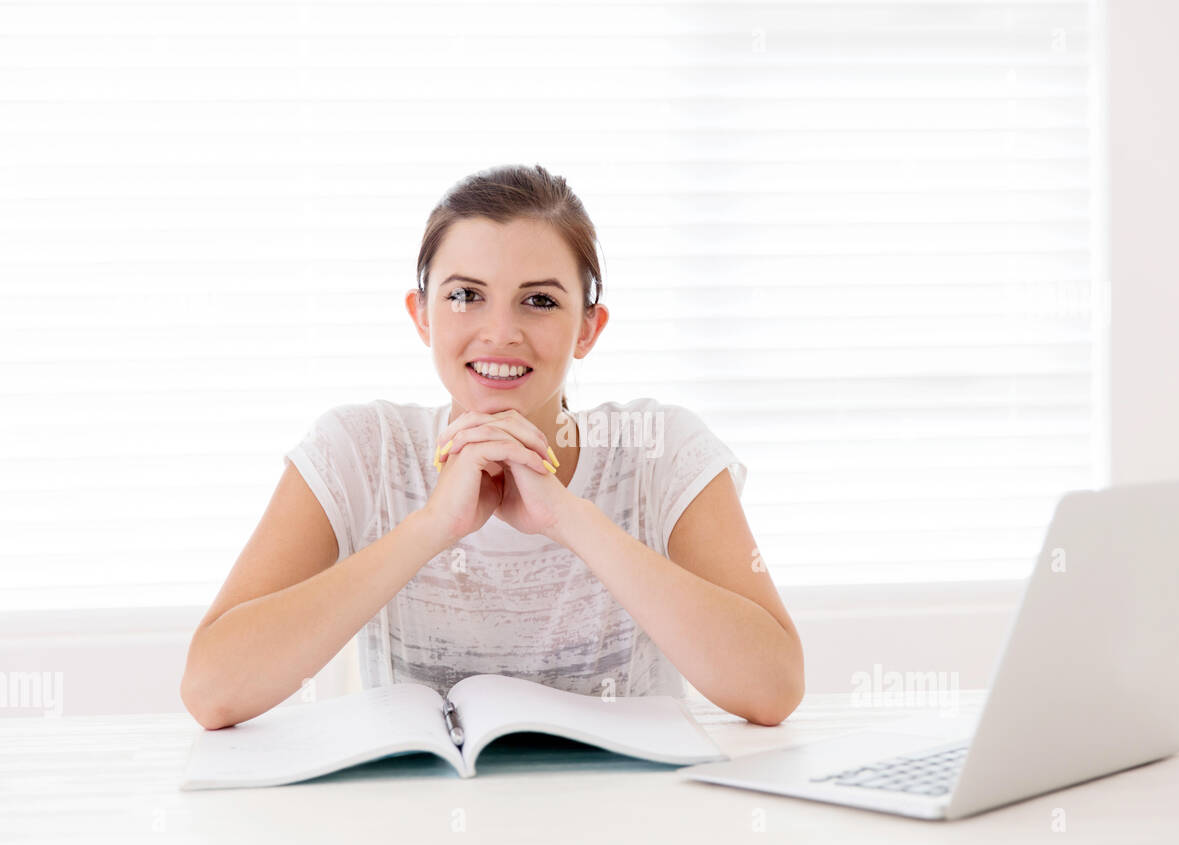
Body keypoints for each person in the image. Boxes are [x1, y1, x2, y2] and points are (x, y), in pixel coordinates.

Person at [180, 163, 803, 730]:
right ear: (421, 315)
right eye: (464, 295)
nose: (500, 333)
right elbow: (214, 691)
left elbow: (771, 690)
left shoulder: (660, 451)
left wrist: (569, 519)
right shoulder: (361, 450)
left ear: (588, 327)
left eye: (539, 301)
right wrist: (431, 526)